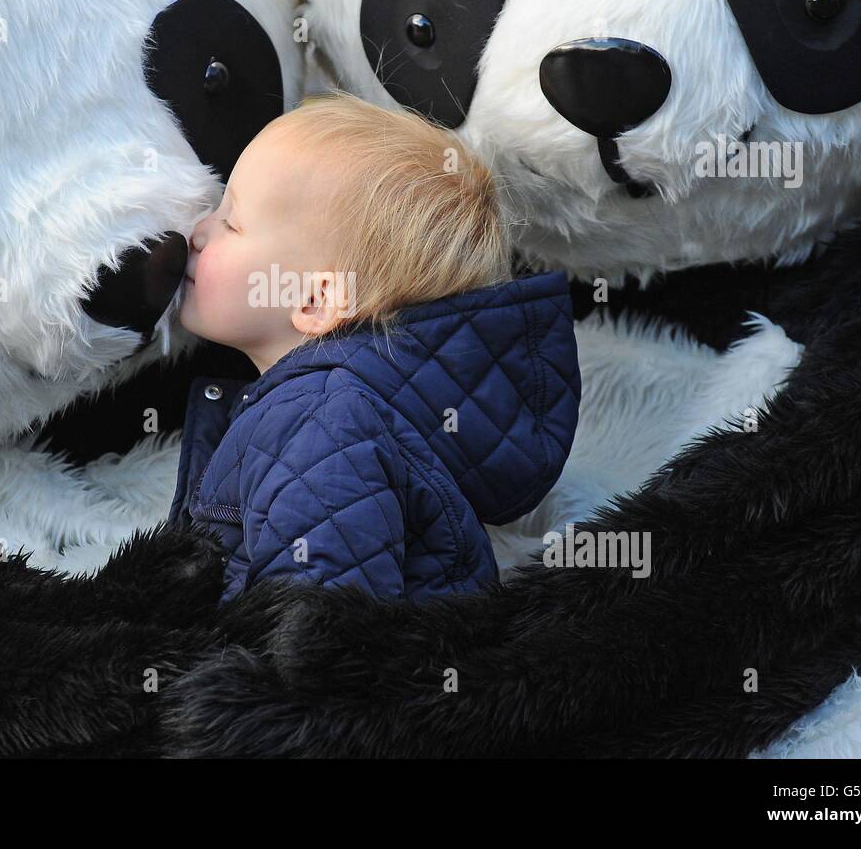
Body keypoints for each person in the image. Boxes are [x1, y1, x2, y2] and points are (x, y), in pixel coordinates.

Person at [168, 91, 579, 602]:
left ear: (317, 300)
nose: (199, 232)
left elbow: (316, 627)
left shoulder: (319, 422)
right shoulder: (339, 408)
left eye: (231, 221)